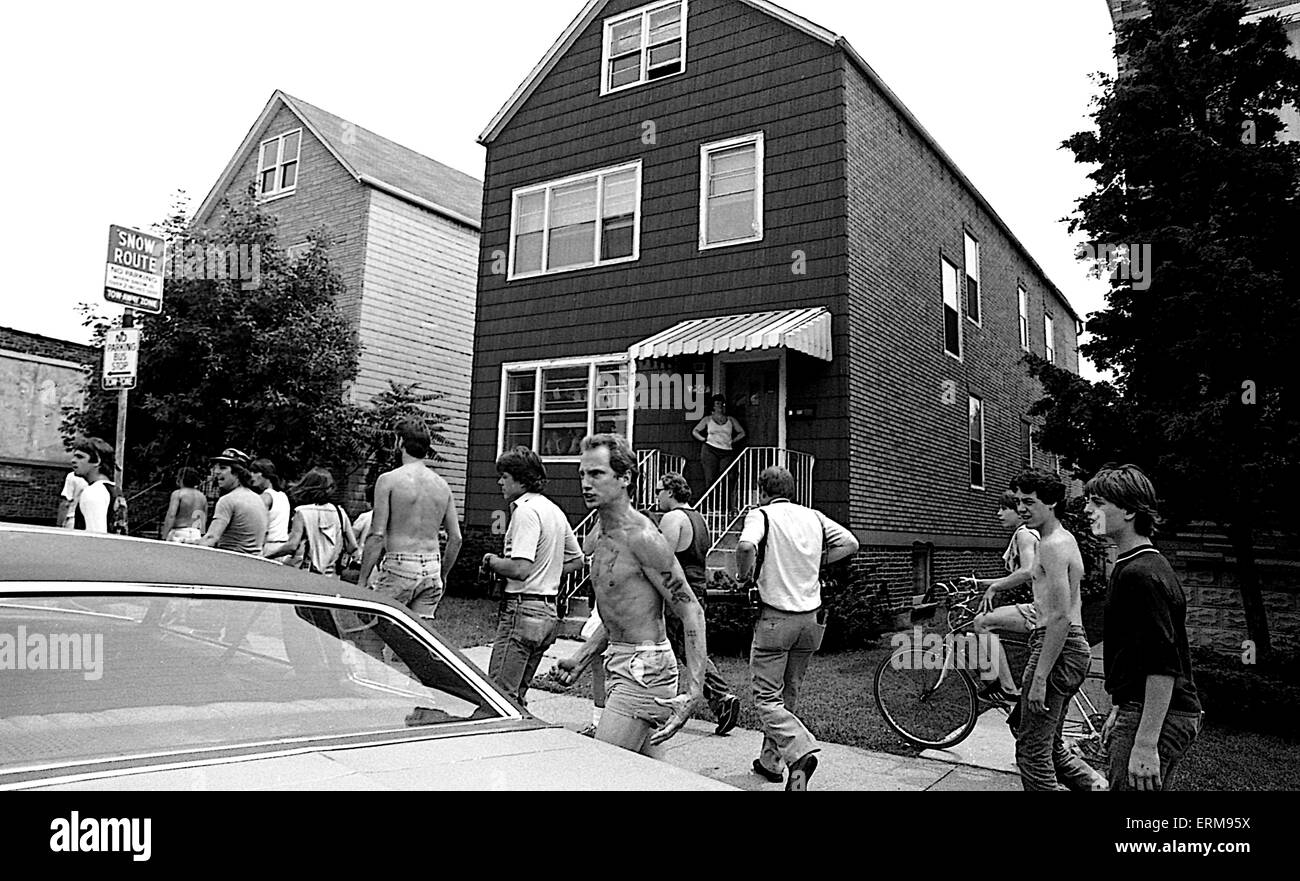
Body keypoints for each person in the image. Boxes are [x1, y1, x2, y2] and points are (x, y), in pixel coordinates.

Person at [555, 434, 707, 756]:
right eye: (582, 474)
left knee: (604, 772)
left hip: (644, 670)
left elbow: (691, 610)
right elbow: (619, 611)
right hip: (621, 660)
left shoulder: (642, 537)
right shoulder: (601, 533)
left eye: (596, 474)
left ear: (625, 478)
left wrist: (694, 692)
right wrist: (581, 658)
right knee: (646, 778)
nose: (585, 483)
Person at [736, 466, 858, 791]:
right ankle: (771, 763)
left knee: (766, 698)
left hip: (775, 618)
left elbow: (747, 547)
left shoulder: (760, 515)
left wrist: (744, 575)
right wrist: (818, 563)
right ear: (791, 490)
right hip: (811, 619)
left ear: (762, 490)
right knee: (788, 692)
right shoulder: (814, 517)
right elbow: (850, 543)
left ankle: (800, 753)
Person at [1085, 464, 1202, 792]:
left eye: (1097, 502)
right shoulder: (1137, 564)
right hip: (1139, 707)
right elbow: (1136, 653)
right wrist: (1122, 706)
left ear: (1128, 510)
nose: (1088, 509)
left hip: (1157, 718)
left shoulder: (1140, 574)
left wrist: (1146, 743)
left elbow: (1162, 664)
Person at [1008, 467, 1099, 791]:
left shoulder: (1052, 544)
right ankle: (1096, 786)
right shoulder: (1062, 540)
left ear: (1052, 503)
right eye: (1018, 501)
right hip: (1069, 646)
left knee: (1032, 753)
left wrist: (1040, 678)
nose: (1021, 509)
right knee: (1047, 742)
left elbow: (1060, 615)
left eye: (1029, 502)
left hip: (1057, 645)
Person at [480, 447, 583, 706]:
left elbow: (520, 569)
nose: (500, 482)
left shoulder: (525, 511)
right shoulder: (554, 510)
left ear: (521, 478)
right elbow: (577, 559)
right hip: (547, 612)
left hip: (522, 611)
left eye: (504, 476)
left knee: (499, 698)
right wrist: (546, 572)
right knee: (516, 697)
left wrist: (491, 561)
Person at [655, 470, 741, 735]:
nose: (656, 496)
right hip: (697, 589)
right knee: (688, 647)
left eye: (659, 490)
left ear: (670, 492)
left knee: (684, 649)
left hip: (679, 594)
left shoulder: (673, 518)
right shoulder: (699, 519)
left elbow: (659, 559)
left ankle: (722, 696)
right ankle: (719, 698)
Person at [357, 419, 462, 622]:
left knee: (374, 634)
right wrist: (444, 574)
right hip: (432, 566)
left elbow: (377, 534)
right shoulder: (442, 485)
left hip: (399, 564)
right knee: (416, 644)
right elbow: (455, 538)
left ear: (400, 442)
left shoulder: (388, 480)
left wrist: (362, 580)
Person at [965, 490, 1040, 701]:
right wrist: (980, 584)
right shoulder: (1031, 533)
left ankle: (1007, 688)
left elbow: (1027, 570)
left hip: (1043, 610)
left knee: (982, 622)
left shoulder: (1024, 534)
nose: (999, 513)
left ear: (1019, 512)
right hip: (1050, 605)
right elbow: (1019, 575)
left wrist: (995, 588)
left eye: (1004, 508)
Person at [275, 467, 357, 576]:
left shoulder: (302, 512)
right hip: (332, 575)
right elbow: (352, 546)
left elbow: (292, 546)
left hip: (306, 574)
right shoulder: (340, 512)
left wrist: (269, 554)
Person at [195, 448, 268, 555]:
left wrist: (186, 544)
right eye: (216, 468)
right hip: (253, 563)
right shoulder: (258, 499)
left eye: (223, 468)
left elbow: (211, 538)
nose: (216, 472)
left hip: (230, 560)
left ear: (237, 473)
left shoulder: (228, 500)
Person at [692, 394, 746, 494]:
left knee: (726, 476)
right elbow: (695, 431)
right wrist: (703, 439)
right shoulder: (708, 419)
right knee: (710, 477)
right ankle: (711, 504)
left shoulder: (730, 420)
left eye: (722, 404)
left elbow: (742, 433)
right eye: (717, 403)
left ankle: (725, 503)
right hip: (710, 450)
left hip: (726, 451)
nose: (720, 406)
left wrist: (732, 441)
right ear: (713, 406)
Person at [70, 438, 118, 534]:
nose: (73, 461)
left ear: (97, 461)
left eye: (80, 457)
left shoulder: (93, 492)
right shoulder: (114, 490)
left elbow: (96, 538)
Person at [249, 458, 290, 558]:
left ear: (266, 474)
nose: (251, 475)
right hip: (282, 546)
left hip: (268, 547)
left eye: (255, 472)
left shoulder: (265, 497)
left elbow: (262, 527)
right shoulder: (282, 496)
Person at [160, 467, 208, 543]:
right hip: (196, 533)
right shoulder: (202, 497)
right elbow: (203, 518)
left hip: (179, 532)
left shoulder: (178, 494)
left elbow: (171, 515)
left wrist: (164, 535)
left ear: (181, 479)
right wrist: (202, 535)